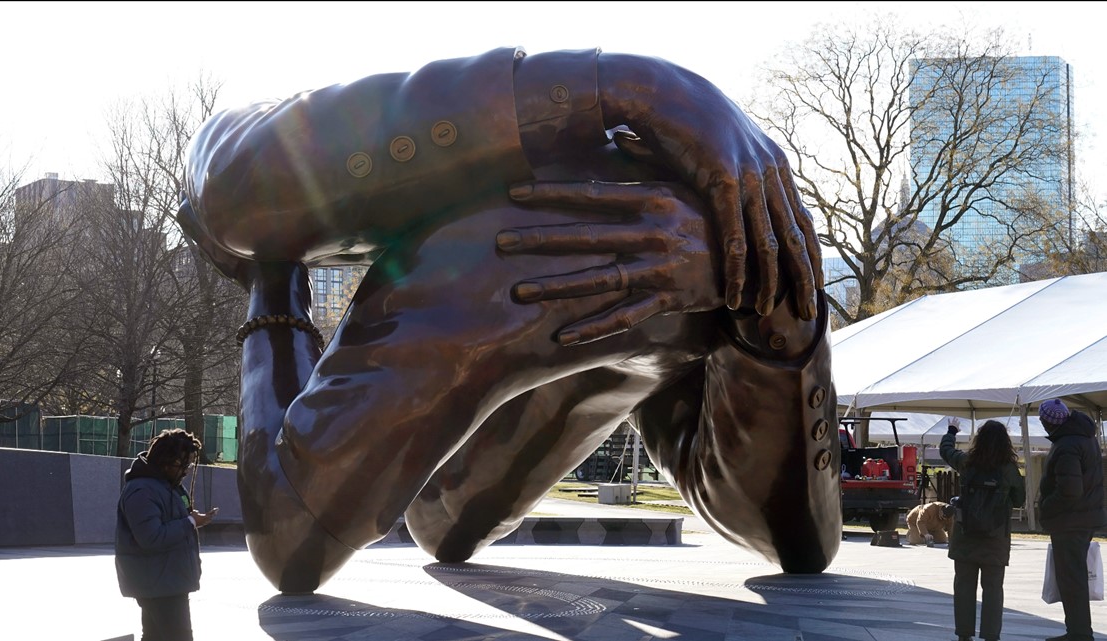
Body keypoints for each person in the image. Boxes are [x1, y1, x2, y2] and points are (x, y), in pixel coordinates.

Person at [179, 46, 838, 594]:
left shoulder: (493, 264)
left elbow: (795, 537)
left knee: (433, 521)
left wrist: (763, 284)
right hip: (516, 263)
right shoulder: (260, 180)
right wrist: (632, 89)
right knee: (435, 520)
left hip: (546, 276)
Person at [116, 428, 219, 641]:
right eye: (183, 464)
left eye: (189, 464)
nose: (186, 471)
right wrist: (191, 522)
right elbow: (151, 537)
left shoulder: (166, 486)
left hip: (164, 581)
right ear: (166, 462)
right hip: (159, 583)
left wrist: (192, 521)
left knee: (154, 636)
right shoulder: (143, 490)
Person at [940, 417, 1026, 641]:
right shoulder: (1008, 469)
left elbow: (945, 450)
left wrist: (951, 431)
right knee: (993, 589)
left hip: (965, 535)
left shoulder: (967, 462)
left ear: (979, 439)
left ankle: (964, 634)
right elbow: (1019, 499)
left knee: (964, 587)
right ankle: (990, 635)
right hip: (996, 537)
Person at [1037, 398, 1106, 641]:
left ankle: (1079, 632)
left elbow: (1070, 490)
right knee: (1074, 577)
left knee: (1071, 579)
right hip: (1083, 517)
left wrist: (1045, 507)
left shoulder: (1067, 445)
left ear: (1048, 422)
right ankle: (1078, 630)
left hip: (1070, 521)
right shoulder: (1085, 437)